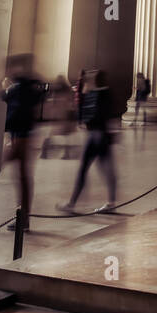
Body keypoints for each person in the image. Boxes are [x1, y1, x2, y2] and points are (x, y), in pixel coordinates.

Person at [59, 70, 118, 214]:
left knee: (88, 169)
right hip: (100, 135)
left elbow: (90, 117)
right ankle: (110, 202)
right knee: (104, 170)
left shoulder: (98, 94)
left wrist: (86, 95)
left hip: (96, 136)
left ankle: (72, 203)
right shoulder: (106, 94)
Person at [3, 56, 43, 232]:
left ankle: (23, 217)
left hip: (20, 137)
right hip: (23, 135)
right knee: (23, 178)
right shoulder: (28, 87)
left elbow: (15, 114)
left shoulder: (18, 89)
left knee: (20, 177)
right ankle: (24, 216)